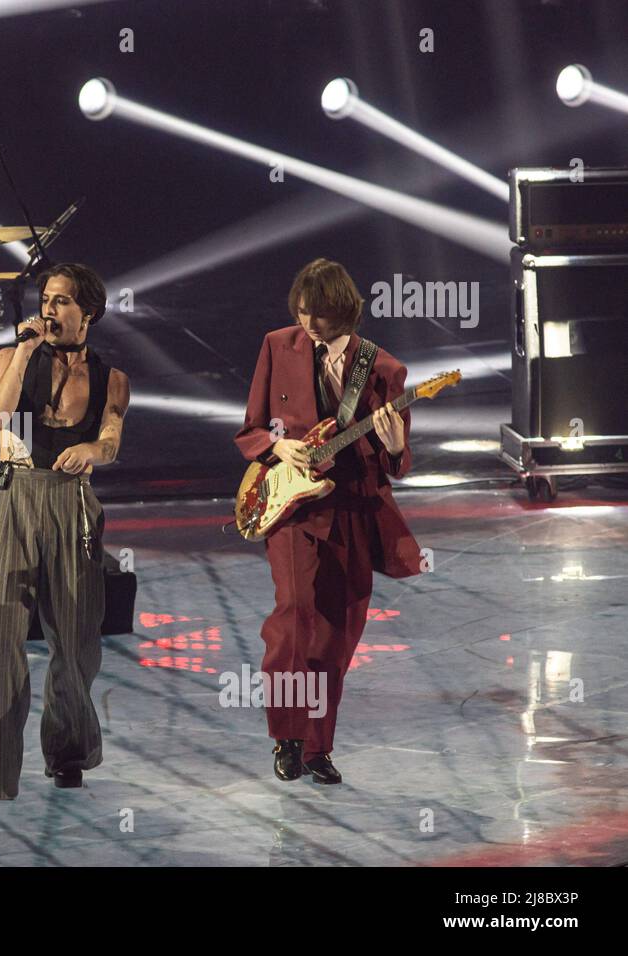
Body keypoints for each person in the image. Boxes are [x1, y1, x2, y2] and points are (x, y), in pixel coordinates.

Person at [234, 258, 423, 785]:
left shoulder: (382, 368)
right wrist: (278, 446)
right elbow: (250, 430)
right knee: (294, 616)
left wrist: (395, 445)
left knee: (336, 636)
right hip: (293, 509)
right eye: (301, 312)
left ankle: (318, 746)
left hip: (353, 511)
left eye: (319, 315)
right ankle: (287, 738)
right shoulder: (278, 345)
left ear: (345, 312)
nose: (309, 324)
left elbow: (398, 464)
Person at [0, 263, 131, 799]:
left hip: (71, 505)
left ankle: (68, 753)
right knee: (0, 641)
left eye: (62, 301)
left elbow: (110, 439)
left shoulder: (112, 378)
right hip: (14, 497)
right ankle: (0, 776)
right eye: (45, 299)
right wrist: (22, 350)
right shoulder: (9, 358)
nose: (49, 309)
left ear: (88, 312)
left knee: (77, 646)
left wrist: (93, 449)